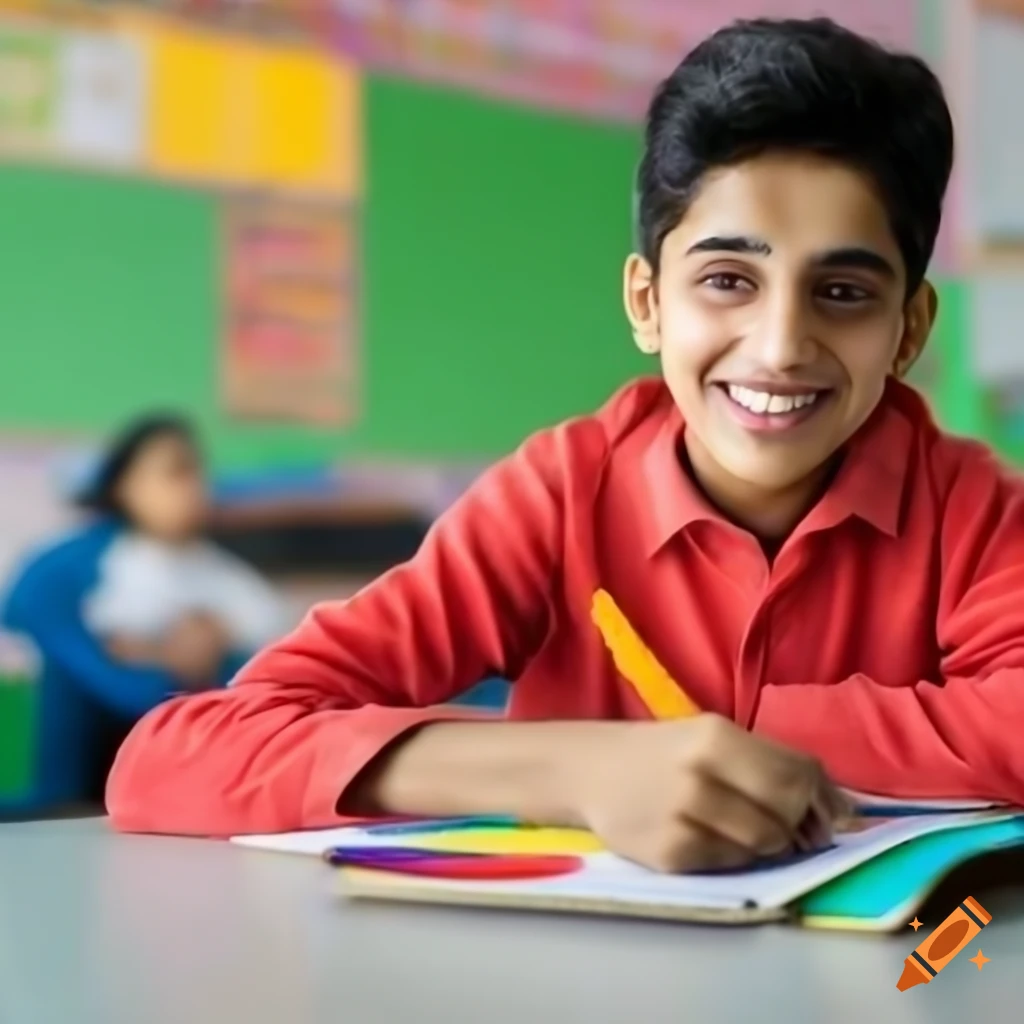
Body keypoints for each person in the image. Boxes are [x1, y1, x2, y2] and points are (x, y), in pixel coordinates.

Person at [107, 18, 1024, 870]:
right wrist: (571, 769)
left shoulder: (970, 506)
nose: (781, 345)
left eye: (844, 293)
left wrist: (740, 731)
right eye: (727, 280)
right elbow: (174, 758)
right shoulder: (560, 494)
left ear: (909, 329)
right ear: (646, 303)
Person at [1, 414, 283, 816]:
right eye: (176, 472)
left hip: (188, 767)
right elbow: (91, 666)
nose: (197, 487)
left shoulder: (222, 573)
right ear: (125, 484)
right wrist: (172, 667)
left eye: (199, 471)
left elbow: (271, 659)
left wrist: (206, 656)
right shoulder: (66, 568)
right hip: (72, 785)